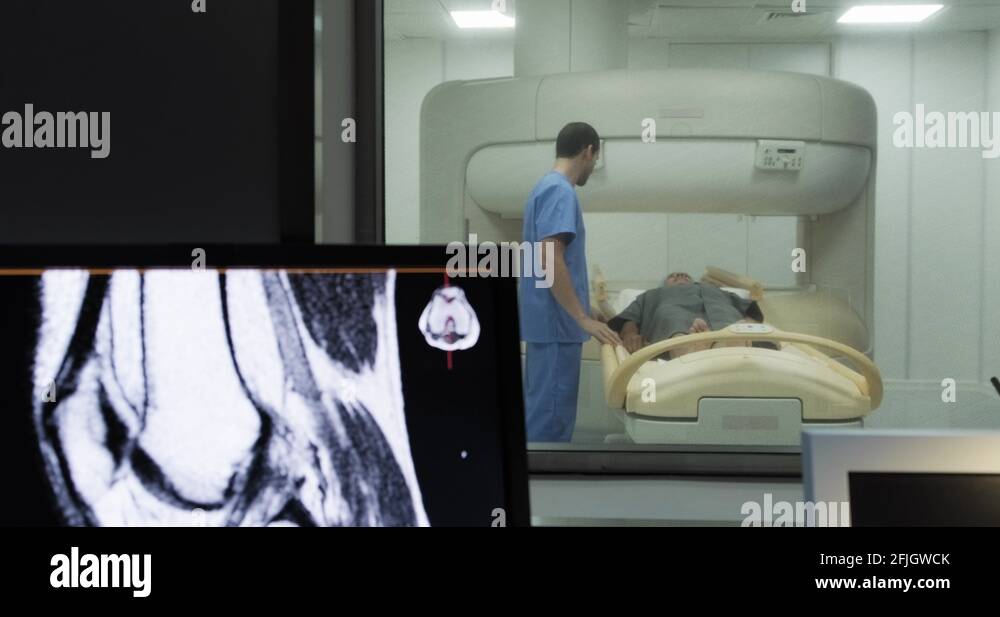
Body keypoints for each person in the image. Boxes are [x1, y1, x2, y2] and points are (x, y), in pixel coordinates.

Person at [519, 122, 622, 443]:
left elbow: (548, 263)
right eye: (595, 158)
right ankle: (541, 493)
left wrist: (586, 308)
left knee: (542, 416)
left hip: (550, 325)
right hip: (558, 328)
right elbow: (551, 260)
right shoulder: (560, 191)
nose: (593, 166)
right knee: (548, 427)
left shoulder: (543, 188)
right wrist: (580, 319)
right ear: (588, 151)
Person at [608, 272, 765, 359]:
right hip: (674, 317)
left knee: (732, 323)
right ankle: (689, 350)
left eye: (684, 275)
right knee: (673, 318)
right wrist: (630, 334)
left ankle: (724, 345)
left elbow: (749, 310)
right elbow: (630, 317)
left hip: (722, 317)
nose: (680, 276)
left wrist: (750, 327)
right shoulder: (653, 295)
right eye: (673, 276)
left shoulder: (717, 291)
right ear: (664, 284)